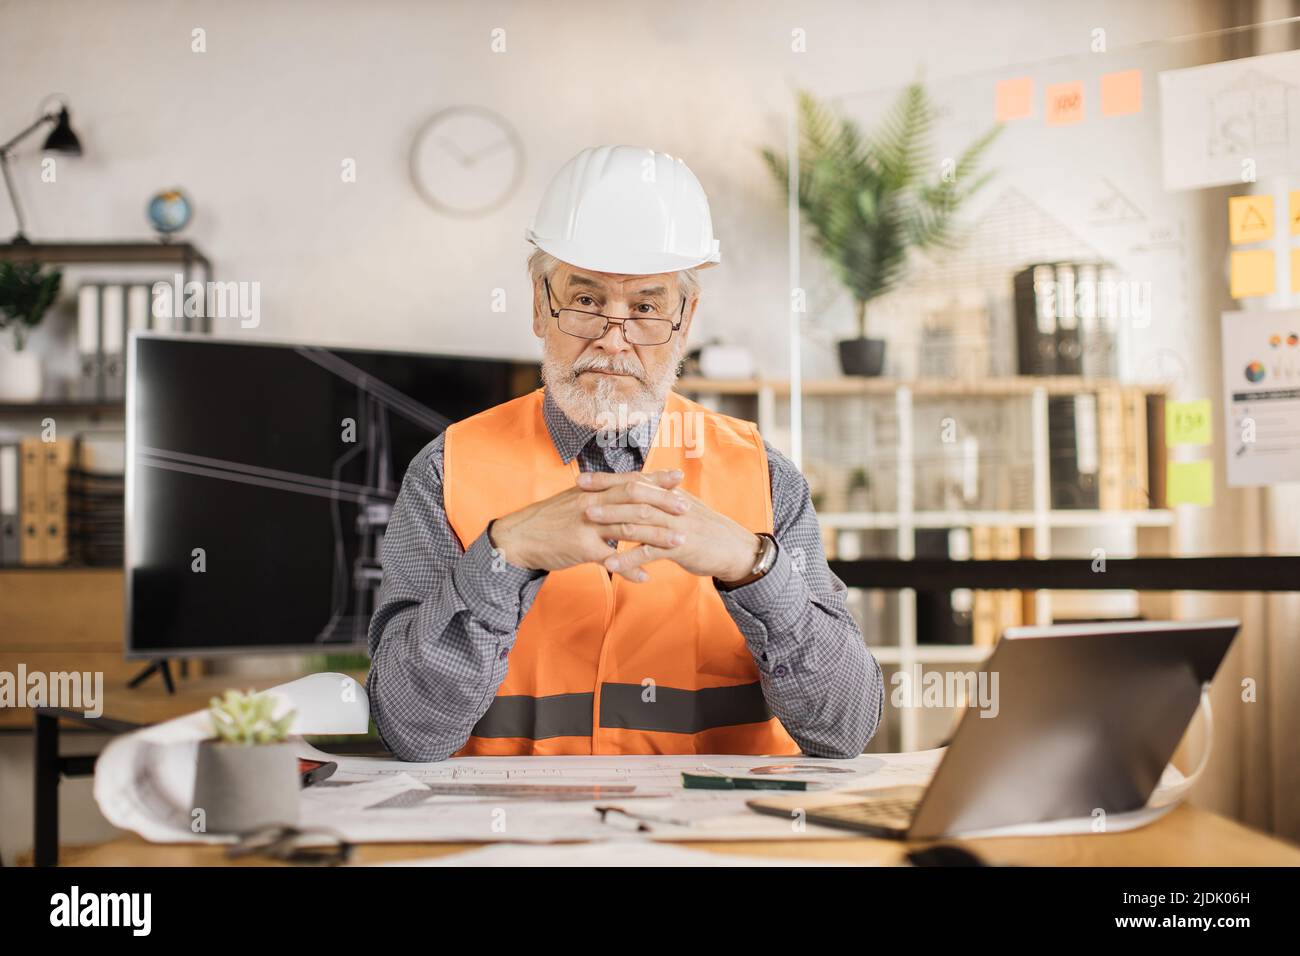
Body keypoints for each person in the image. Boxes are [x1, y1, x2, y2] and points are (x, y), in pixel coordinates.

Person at [367, 145, 883, 760]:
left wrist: (754, 568)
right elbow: (410, 731)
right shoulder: (446, 471)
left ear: (685, 320)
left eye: (645, 307)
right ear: (539, 305)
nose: (614, 341)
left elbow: (846, 728)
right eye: (585, 302)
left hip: (708, 844)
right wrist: (504, 553)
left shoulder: (764, 477)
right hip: (515, 846)